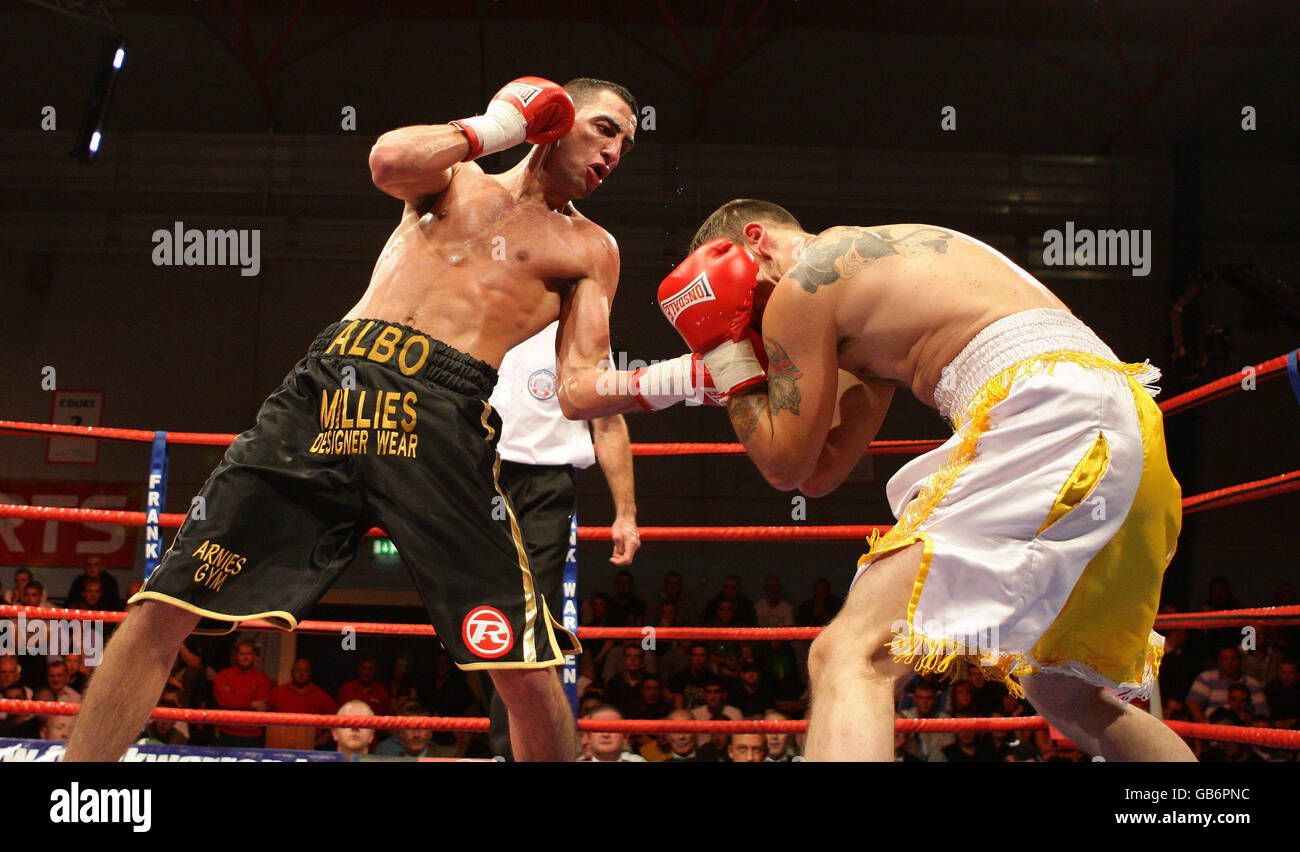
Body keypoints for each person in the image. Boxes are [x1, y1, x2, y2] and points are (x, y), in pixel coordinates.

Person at [65, 75, 674, 763]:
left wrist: (685, 379)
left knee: (524, 663)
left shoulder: (592, 249)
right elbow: (386, 161)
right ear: (556, 119)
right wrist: (500, 123)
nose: (616, 150)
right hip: (328, 387)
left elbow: (581, 388)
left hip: (441, 412)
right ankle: (75, 796)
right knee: (163, 605)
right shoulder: (458, 177)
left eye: (627, 140)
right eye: (605, 128)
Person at [659, 199, 1193, 760]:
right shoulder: (872, 298)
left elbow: (780, 464)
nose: (749, 319)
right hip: (1122, 421)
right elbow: (815, 475)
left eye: (741, 297)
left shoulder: (805, 281)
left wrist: (722, 349)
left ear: (757, 238)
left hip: (1050, 413)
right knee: (1062, 688)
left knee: (849, 653)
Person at [482, 318, 640, 758]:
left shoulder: (580, 334)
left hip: (545, 485)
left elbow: (608, 422)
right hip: (475, 473)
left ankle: (512, 753)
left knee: (526, 627)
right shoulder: (477, 313)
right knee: (476, 616)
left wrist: (625, 514)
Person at [266, 657, 338, 750]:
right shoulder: (278, 692)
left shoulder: (320, 695)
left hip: (310, 745)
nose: (301, 673)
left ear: (310, 673)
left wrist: (325, 737)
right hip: (280, 744)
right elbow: (266, 717)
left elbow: (336, 719)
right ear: (292, 671)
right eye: (298, 670)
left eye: (305, 670)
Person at [212, 639, 271, 748]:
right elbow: (224, 701)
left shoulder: (263, 679)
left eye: (249, 654)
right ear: (236, 655)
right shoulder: (223, 675)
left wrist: (235, 700)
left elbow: (262, 706)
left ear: (254, 656)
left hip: (252, 735)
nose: (245, 657)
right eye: (242, 654)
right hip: (225, 732)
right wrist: (251, 704)